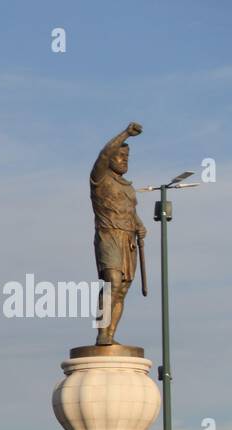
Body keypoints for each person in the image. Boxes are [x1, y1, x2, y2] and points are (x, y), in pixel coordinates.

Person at [90, 122, 147, 346]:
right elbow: (103, 154)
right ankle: (101, 332)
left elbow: (130, 212)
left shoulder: (127, 187)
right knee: (111, 282)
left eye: (127, 157)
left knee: (122, 289)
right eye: (120, 156)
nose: (124, 161)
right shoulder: (100, 178)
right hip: (108, 234)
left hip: (128, 239)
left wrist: (139, 225)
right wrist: (125, 133)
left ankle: (110, 335)